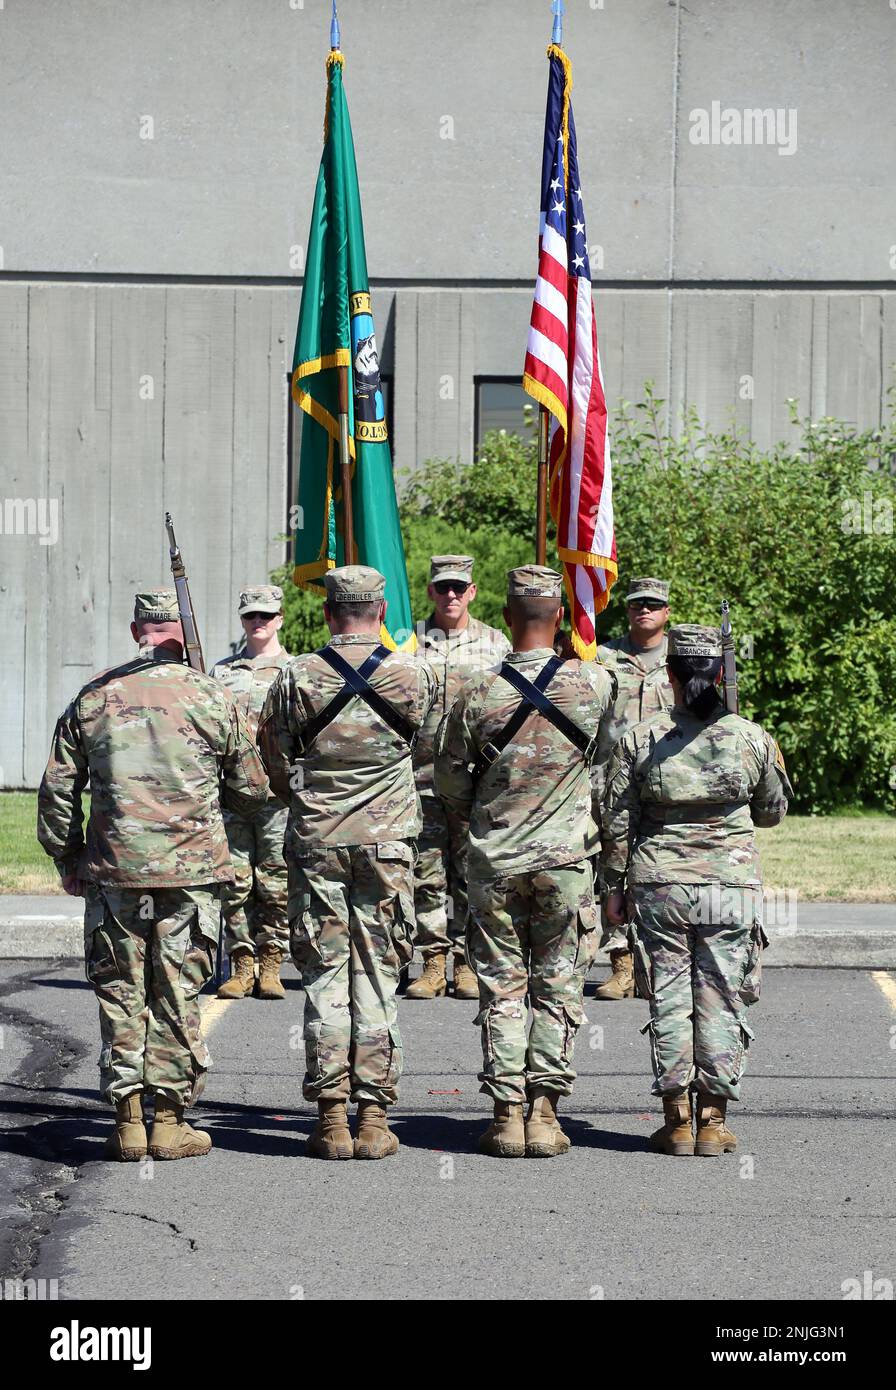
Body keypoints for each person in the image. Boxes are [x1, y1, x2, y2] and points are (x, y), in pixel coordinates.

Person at [36, 590, 270, 1162]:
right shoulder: (212, 695)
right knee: (178, 990)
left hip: (116, 872)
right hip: (191, 874)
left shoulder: (95, 696)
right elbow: (253, 789)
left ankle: (127, 1122)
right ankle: (169, 1122)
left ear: (136, 627)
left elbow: (58, 792)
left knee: (121, 991)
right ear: (181, 632)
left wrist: (67, 859)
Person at [257, 566, 437, 1160]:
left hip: (317, 842)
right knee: (380, 973)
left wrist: (311, 799)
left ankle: (332, 1118)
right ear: (381, 612)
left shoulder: (296, 676)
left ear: (330, 614)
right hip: (388, 845)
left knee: (326, 976)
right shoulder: (415, 675)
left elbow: (274, 759)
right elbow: (432, 754)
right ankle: (374, 1117)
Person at [435, 566, 615, 1158]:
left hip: (495, 862)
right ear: (560, 618)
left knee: (502, 987)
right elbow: (612, 769)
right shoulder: (596, 685)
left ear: (507, 618)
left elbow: (450, 785)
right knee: (558, 984)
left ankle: (506, 1114)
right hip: (566, 861)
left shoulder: (476, 690)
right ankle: (544, 1114)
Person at [601, 624, 791, 1157]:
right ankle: (714, 1119)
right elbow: (771, 813)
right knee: (723, 996)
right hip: (728, 886)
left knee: (669, 996)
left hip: (660, 884)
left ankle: (676, 1119)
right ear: (723, 674)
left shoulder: (642, 738)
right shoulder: (752, 737)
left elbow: (617, 818)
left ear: (671, 675)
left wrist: (613, 887)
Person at [407, 555, 510, 1001]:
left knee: (471, 871)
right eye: (442, 587)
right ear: (431, 591)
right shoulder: (407, 642)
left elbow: (508, 706)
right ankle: (432, 961)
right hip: (421, 777)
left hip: (474, 779)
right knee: (427, 873)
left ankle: (468, 962)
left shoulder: (496, 644)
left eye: (458, 588)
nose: (450, 595)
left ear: (471, 592)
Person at [594, 576, 674, 1001]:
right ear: (627, 610)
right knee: (613, 869)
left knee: (660, 870)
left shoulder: (682, 658)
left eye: (653, 604)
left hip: (665, 784)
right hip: (612, 782)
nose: (644, 609)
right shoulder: (605, 657)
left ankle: (658, 962)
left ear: (666, 611)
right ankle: (621, 963)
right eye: (637, 603)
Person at [211, 585, 291, 1001]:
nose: (258, 622)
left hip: (279, 798)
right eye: (250, 616)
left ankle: (272, 962)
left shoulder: (296, 670)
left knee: (276, 881)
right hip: (234, 796)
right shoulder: (221, 673)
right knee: (236, 881)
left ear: (279, 618)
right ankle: (242, 963)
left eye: (265, 615)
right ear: (242, 620)